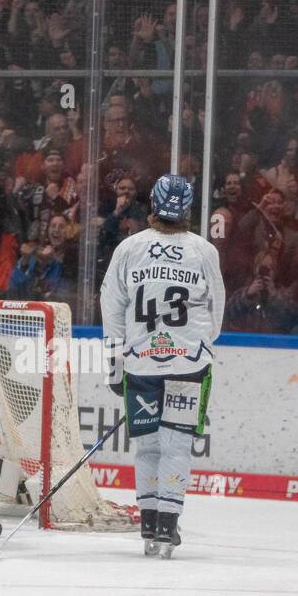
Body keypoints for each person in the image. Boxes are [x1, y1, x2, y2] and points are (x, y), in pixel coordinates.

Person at [100, 173, 225, 557]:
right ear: (188, 208)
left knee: (148, 447)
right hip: (188, 361)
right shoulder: (204, 251)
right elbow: (216, 309)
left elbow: (112, 305)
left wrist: (115, 363)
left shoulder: (130, 248)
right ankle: (168, 525)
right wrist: (200, 344)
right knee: (177, 446)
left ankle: (150, 523)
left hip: (141, 363)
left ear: (152, 204)